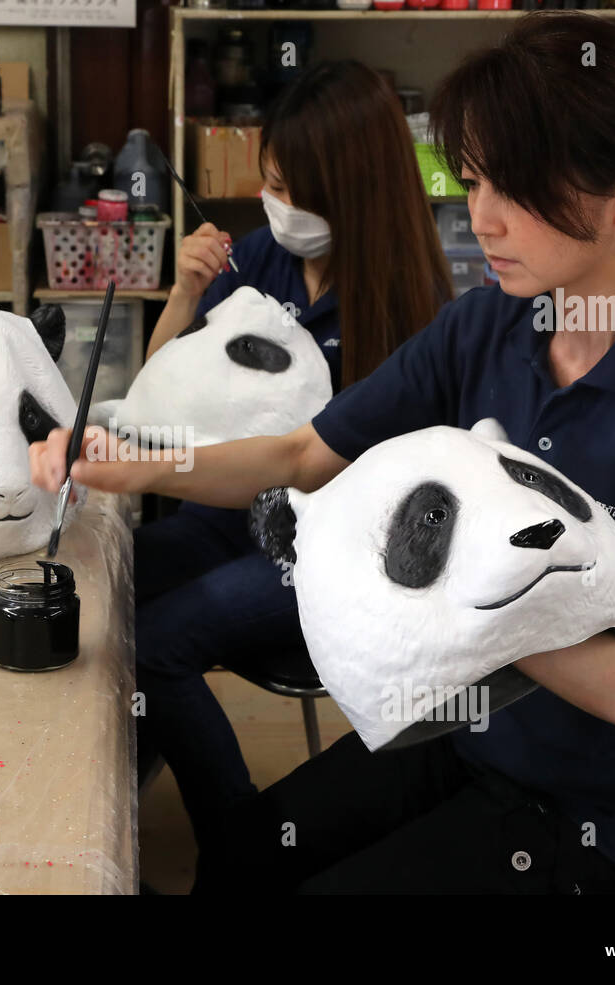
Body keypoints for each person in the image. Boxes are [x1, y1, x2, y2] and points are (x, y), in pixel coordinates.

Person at [32, 12, 615, 892]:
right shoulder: (491, 324)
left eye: (517, 188)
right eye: (474, 180)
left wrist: (448, 608)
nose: (482, 219)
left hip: (605, 816)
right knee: (241, 857)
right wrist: (144, 461)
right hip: (468, 737)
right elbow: (308, 453)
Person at [132, 59, 451, 849]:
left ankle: (238, 846)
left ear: (355, 188)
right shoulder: (257, 260)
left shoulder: (415, 309)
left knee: (157, 645)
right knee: (108, 584)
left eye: (296, 187)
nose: (277, 203)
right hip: (232, 507)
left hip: (335, 549)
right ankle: (117, 792)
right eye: (270, 178)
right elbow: (159, 399)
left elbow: (371, 487)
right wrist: (182, 295)